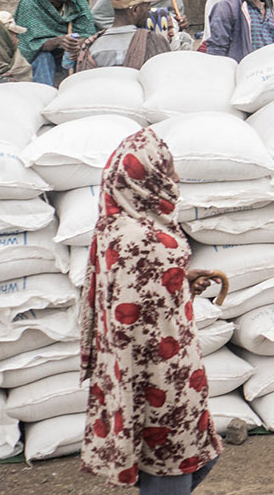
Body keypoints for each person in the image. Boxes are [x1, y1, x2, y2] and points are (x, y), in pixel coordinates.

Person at [80, 127, 224, 495]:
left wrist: (179, 281)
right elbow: (140, 320)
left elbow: (140, 297)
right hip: (158, 373)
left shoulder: (117, 227)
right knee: (170, 459)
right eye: (166, 169)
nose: (174, 178)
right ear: (143, 178)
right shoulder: (140, 238)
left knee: (193, 453)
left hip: (148, 368)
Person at [15, 0, 97, 87]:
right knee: (43, 58)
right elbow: (28, 44)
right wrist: (58, 41)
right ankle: (44, 93)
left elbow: (88, 30)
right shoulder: (30, 3)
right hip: (45, 53)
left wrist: (78, 43)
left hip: (69, 52)